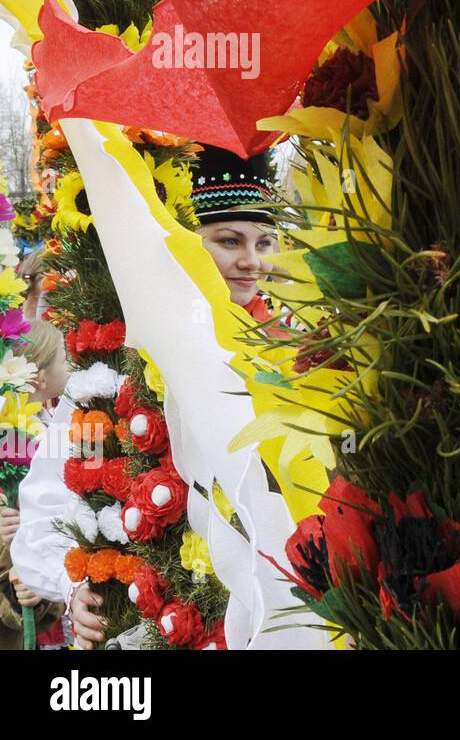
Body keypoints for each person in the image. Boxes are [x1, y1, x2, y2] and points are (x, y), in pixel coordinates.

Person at [34, 145, 283, 649]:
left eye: (265, 242)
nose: (251, 262)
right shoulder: (119, 357)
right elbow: (49, 506)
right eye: (230, 240)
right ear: (189, 243)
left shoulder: (288, 353)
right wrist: (75, 586)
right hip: (143, 619)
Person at [3, 320, 72, 649]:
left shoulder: (55, 425)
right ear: (41, 377)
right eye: (63, 359)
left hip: (46, 587)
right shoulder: (11, 434)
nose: (70, 367)